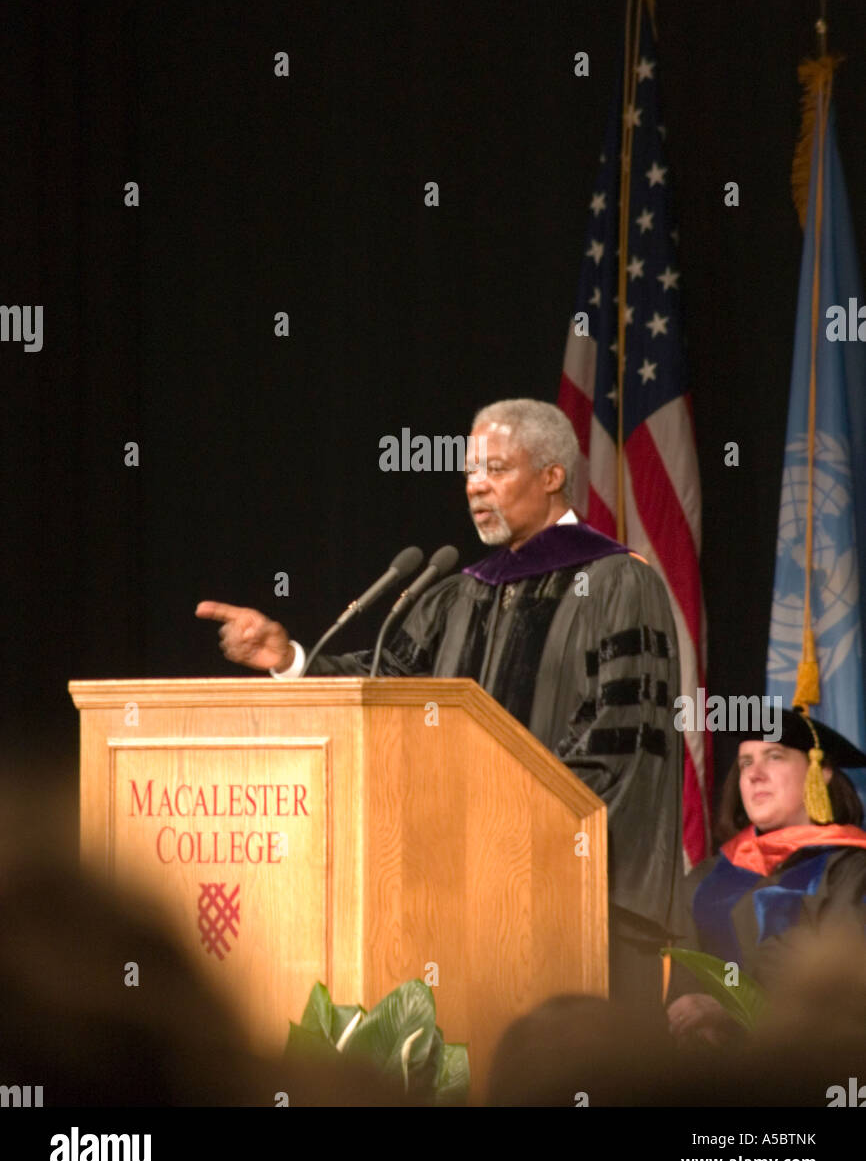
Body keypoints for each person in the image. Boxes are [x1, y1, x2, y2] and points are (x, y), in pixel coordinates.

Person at [197, 398, 684, 1004]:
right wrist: (290, 657)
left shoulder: (619, 582)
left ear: (553, 476)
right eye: (469, 473)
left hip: (574, 901)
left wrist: (511, 834)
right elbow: (385, 682)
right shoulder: (460, 593)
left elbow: (625, 740)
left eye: (496, 469)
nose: (476, 487)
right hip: (456, 894)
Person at [667, 706, 866, 1046]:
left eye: (774, 756)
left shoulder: (849, 870)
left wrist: (736, 1011)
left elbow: (849, 999)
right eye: (745, 763)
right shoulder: (704, 879)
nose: (754, 774)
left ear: (822, 771)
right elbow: (683, 990)